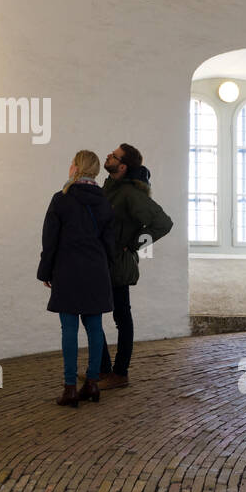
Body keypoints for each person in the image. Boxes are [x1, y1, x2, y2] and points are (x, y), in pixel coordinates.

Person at [37, 150, 117, 407]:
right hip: (96, 272)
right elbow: (110, 243)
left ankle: (70, 388)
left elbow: (49, 241)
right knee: (95, 328)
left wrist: (45, 272)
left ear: (75, 167)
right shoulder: (104, 201)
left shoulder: (61, 200)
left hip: (67, 271)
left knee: (68, 329)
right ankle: (92, 384)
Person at [97, 143, 173, 389]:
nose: (108, 155)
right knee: (93, 316)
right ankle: (104, 370)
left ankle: (119, 373)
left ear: (122, 165)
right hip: (101, 263)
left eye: (114, 155)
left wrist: (133, 244)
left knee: (121, 318)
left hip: (118, 267)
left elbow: (163, 223)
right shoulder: (110, 187)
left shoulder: (130, 193)